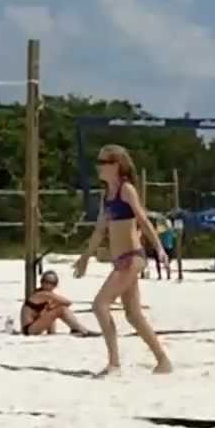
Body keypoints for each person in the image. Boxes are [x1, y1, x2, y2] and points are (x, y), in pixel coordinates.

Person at [73, 144, 173, 376]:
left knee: (100, 305)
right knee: (133, 314)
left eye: (103, 162)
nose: (98, 167)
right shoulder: (106, 195)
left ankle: (114, 364)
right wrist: (85, 257)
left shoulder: (126, 190)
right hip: (119, 260)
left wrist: (159, 248)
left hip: (132, 257)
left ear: (116, 165)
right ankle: (163, 361)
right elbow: (100, 230)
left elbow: (144, 220)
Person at [19, 270, 93, 336]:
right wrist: (54, 306)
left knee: (53, 309)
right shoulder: (43, 294)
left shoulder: (45, 295)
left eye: (52, 283)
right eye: (46, 282)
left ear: (55, 285)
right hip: (29, 329)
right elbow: (68, 302)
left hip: (33, 327)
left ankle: (76, 327)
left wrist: (52, 306)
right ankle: (78, 328)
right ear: (42, 282)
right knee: (61, 309)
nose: (48, 285)